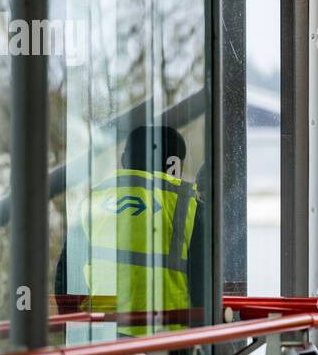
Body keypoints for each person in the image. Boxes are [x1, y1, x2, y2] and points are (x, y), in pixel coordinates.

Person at [55, 125, 205, 335]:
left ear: (125, 160)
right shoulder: (187, 204)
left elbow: (65, 279)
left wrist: (76, 333)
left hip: (104, 338)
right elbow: (203, 285)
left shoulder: (93, 201)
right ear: (174, 165)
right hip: (169, 341)